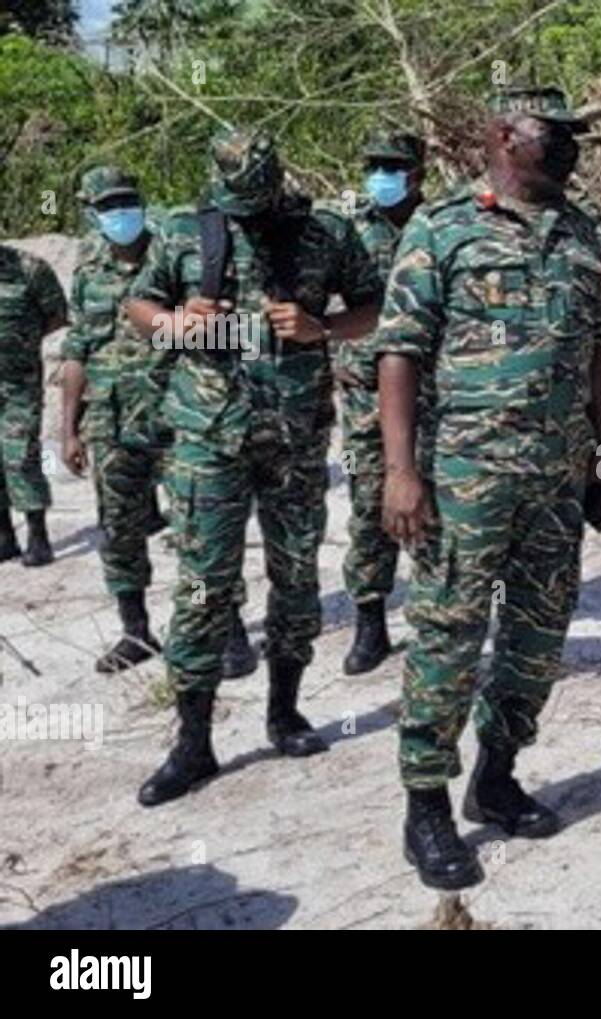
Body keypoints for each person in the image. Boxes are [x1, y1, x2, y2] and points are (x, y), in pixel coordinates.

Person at [377, 87, 601, 889]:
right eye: (557, 134)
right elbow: (400, 353)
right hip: (465, 481)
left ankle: (499, 771)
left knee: (539, 634)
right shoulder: (441, 227)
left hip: (556, 479)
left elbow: (595, 353)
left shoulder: (584, 231)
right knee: (446, 637)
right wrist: (402, 471)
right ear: (505, 136)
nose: (571, 148)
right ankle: (426, 804)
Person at [125, 127, 381, 807]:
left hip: (294, 438)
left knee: (296, 576)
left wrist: (322, 328)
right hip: (208, 439)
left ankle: (285, 712)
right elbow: (138, 305)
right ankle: (193, 741)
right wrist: (177, 323)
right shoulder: (186, 230)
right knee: (205, 584)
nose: (244, 214)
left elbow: (377, 305)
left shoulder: (325, 233)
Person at [324, 129, 429, 676]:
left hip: (436, 391)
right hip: (365, 391)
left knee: (438, 506)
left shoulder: (441, 226)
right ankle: (370, 622)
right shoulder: (347, 230)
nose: (382, 176)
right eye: (374, 166)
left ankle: (442, 622)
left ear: (417, 173)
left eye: (393, 166)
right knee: (370, 508)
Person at [60, 166, 170, 672]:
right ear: (92, 214)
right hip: (111, 422)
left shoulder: (172, 255)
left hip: (177, 415)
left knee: (197, 533)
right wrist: (68, 430)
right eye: (107, 207)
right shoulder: (88, 269)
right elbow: (78, 347)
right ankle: (136, 632)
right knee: (119, 532)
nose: (119, 213)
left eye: (126, 202)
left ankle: (220, 625)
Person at [0, 243, 67, 567]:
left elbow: (56, 315)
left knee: (21, 454)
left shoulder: (30, 269)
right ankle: (4, 538)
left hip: (18, 383)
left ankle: (38, 537)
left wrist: (22, 342)